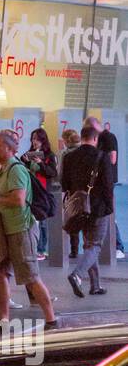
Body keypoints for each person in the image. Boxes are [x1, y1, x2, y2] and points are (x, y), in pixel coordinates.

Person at [0, 130, 56, 326]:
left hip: (21, 230)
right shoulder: (2, 170)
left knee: (30, 276)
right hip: (6, 229)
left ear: (10, 149)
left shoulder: (16, 169)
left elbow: (18, 200)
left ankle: (51, 320)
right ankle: (3, 318)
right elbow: (4, 200)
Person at [62, 123, 115, 298]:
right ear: (95, 138)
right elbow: (108, 184)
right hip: (98, 207)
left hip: (79, 206)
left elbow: (64, 184)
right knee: (95, 245)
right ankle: (77, 275)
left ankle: (95, 285)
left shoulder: (69, 157)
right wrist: (109, 206)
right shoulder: (102, 156)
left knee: (88, 245)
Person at [86, 117, 125, 259]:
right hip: (99, 181)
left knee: (109, 214)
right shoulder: (98, 139)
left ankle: (118, 246)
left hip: (108, 181)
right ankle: (109, 246)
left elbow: (112, 158)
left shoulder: (108, 137)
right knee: (103, 214)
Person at [22, 128, 58, 258]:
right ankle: (32, 246)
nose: (34, 141)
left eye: (37, 139)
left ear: (43, 140)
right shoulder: (28, 153)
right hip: (30, 190)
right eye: (33, 139)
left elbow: (52, 173)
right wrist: (26, 161)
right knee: (31, 219)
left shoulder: (49, 155)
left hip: (42, 190)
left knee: (41, 219)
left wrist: (41, 164)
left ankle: (41, 249)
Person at [59, 128, 82, 260]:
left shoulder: (66, 154)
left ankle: (74, 250)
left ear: (67, 140)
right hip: (86, 191)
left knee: (73, 220)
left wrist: (63, 188)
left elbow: (61, 174)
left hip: (72, 191)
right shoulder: (86, 152)